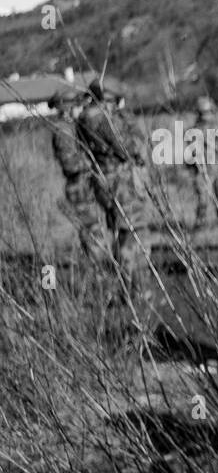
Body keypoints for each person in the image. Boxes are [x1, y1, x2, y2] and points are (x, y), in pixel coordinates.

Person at [76, 77, 153, 316]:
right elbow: (129, 148)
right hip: (121, 183)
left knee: (121, 234)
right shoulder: (105, 120)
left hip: (102, 181)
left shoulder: (82, 119)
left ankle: (127, 288)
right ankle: (133, 290)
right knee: (133, 235)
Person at [49, 89, 106, 262]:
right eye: (77, 105)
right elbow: (70, 164)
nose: (80, 109)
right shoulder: (63, 130)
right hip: (79, 184)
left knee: (94, 228)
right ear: (67, 108)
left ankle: (97, 268)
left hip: (84, 183)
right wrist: (91, 164)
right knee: (92, 230)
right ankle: (98, 273)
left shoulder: (71, 127)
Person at [188, 96, 218, 227]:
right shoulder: (194, 130)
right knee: (203, 198)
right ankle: (201, 221)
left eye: (208, 112)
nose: (206, 116)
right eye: (203, 113)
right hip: (202, 169)